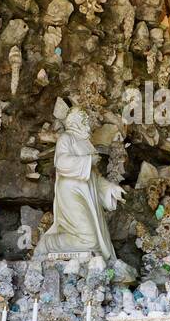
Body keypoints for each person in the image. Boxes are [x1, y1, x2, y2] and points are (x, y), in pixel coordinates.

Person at [35, 108, 124, 261]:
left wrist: (111, 189)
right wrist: (89, 161)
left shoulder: (86, 143)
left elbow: (94, 178)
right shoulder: (66, 138)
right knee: (89, 241)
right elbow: (61, 163)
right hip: (71, 192)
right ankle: (48, 243)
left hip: (86, 193)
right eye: (85, 121)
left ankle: (58, 245)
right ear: (77, 122)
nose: (89, 125)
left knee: (91, 240)